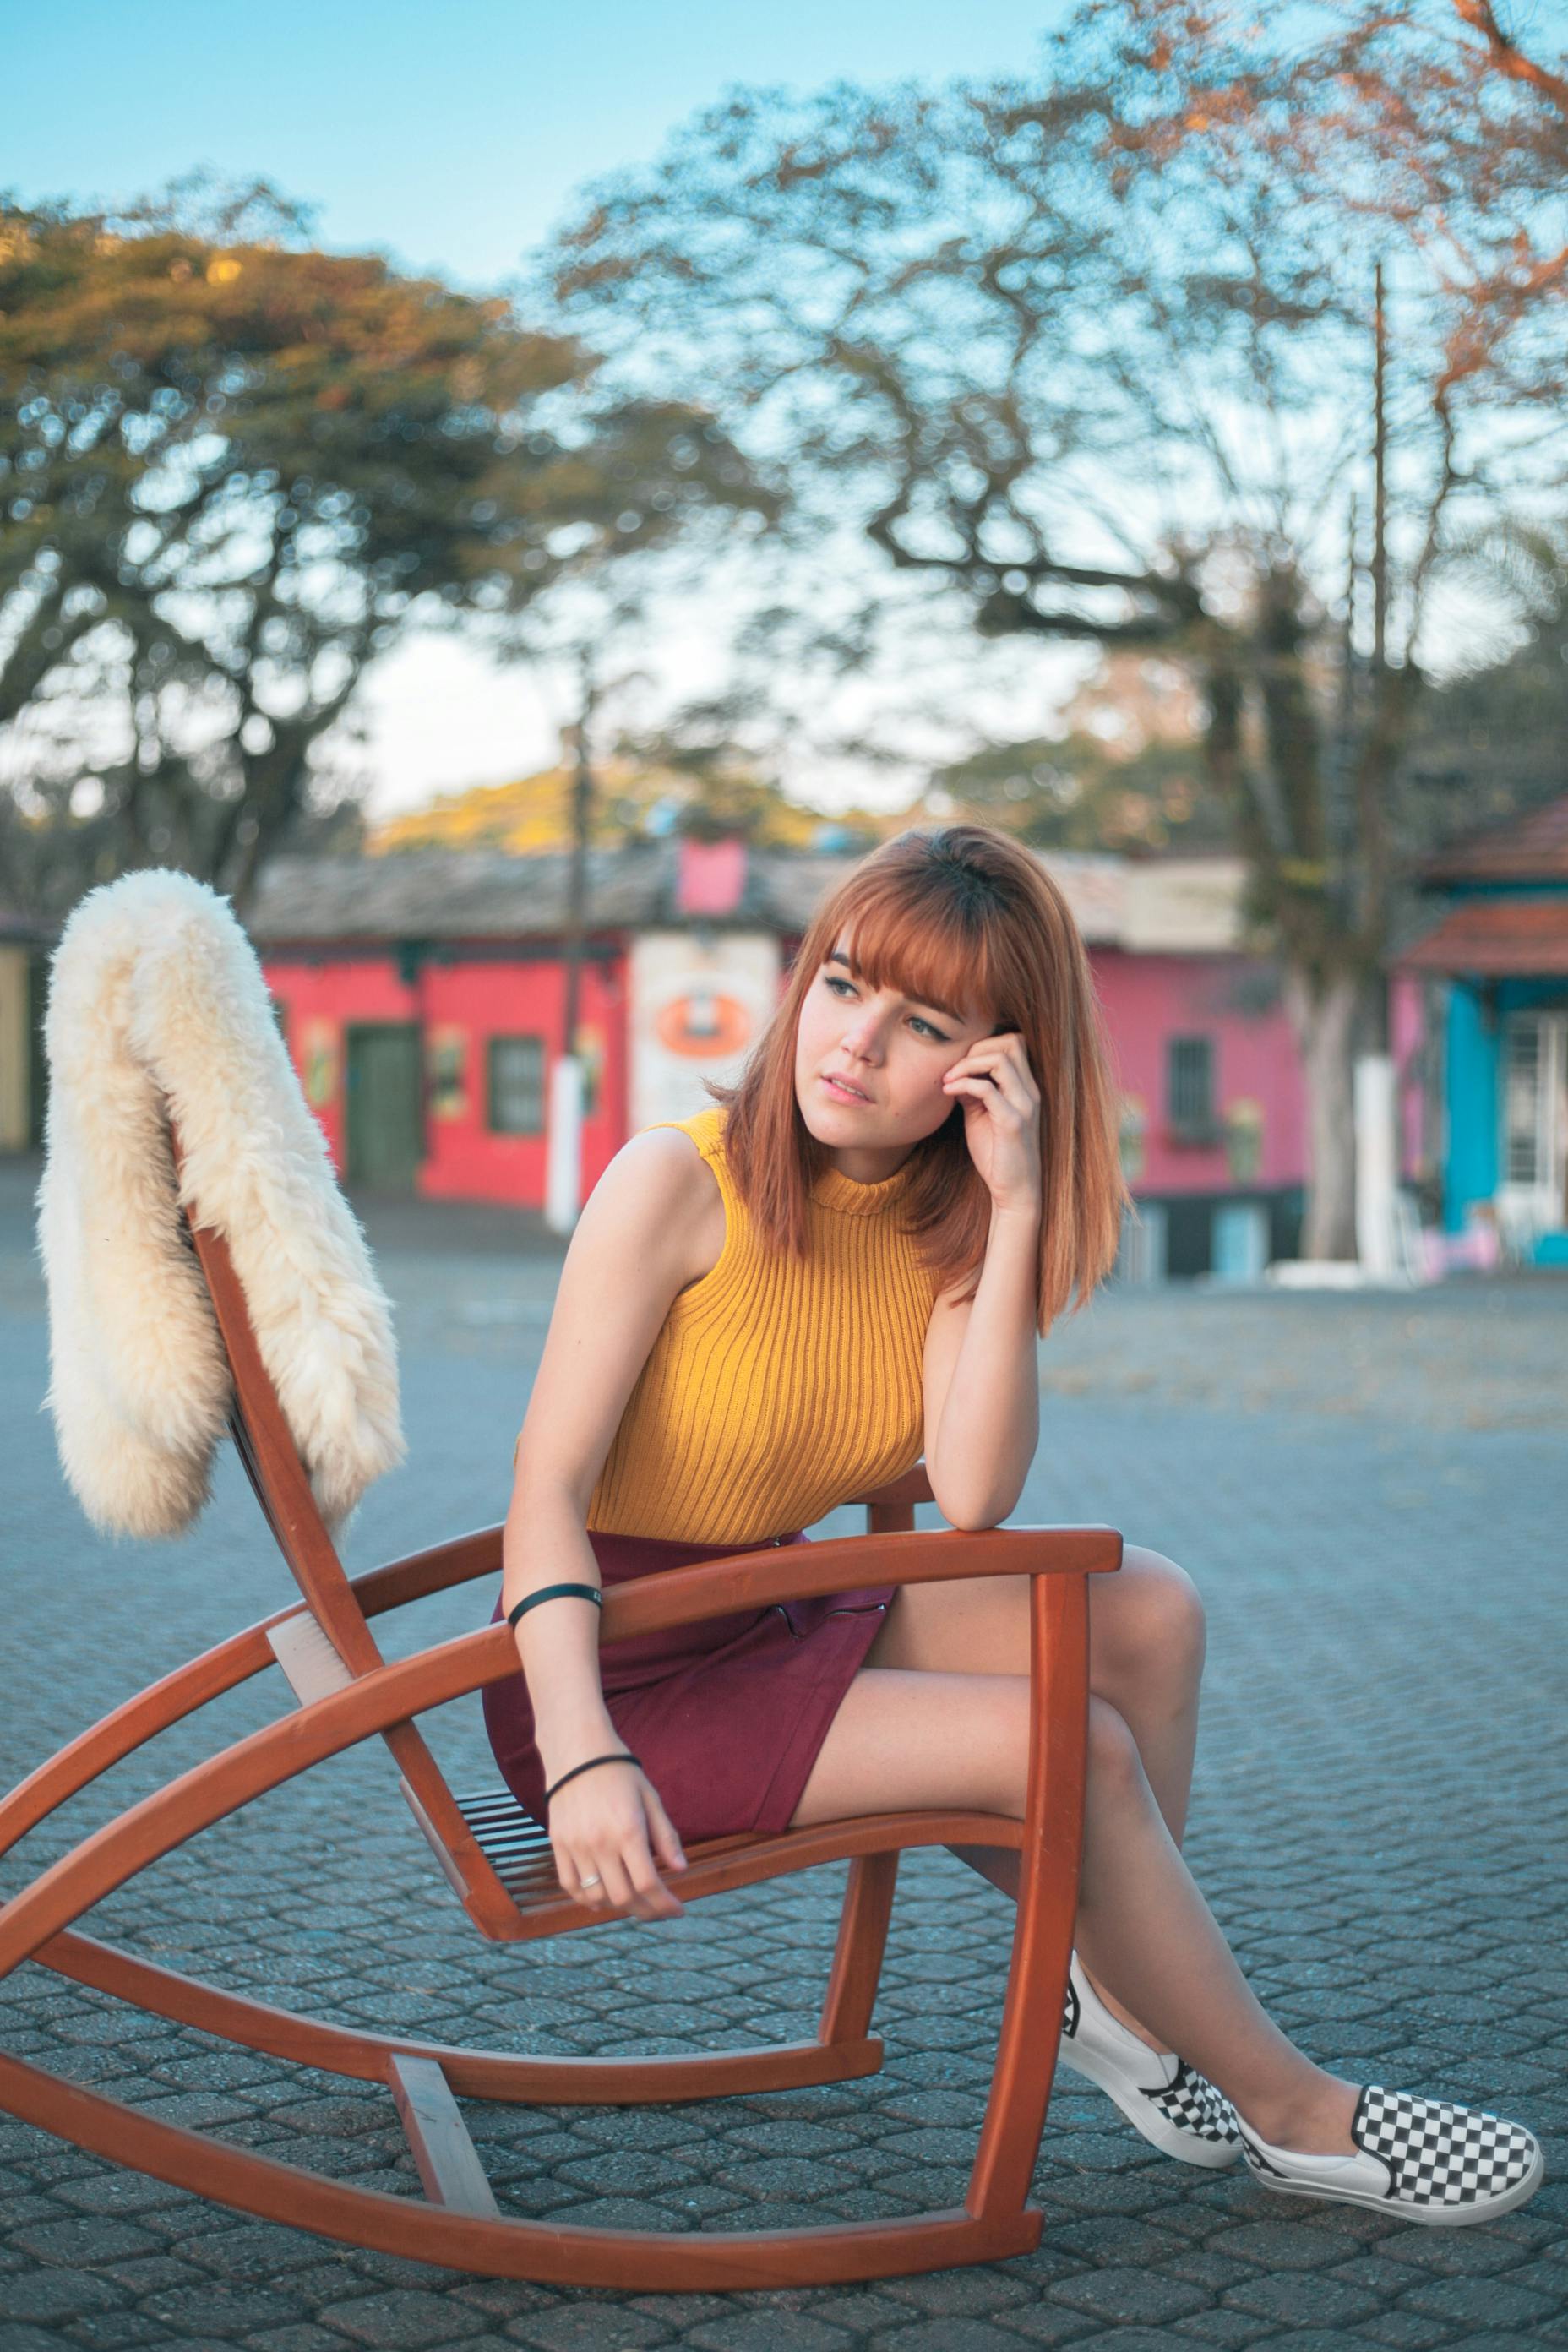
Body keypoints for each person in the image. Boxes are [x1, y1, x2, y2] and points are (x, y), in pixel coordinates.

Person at [484, 824, 1543, 2226]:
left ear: (998, 1066)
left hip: (780, 1607)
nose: (853, 1043)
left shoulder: (952, 1222)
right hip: (625, 1669)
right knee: (1073, 1751)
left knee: (1150, 1611)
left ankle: (1114, 1995)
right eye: (846, 984)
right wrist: (580, 1758)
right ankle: (1297, 2113)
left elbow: (977, 1497)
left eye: (920, 1022)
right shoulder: (676, 1183)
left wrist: (1020, 1200)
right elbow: (539, 1499)